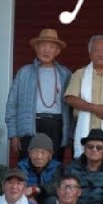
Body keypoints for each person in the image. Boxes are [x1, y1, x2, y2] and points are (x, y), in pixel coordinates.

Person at [7, 29, 72, 162]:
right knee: (27, 164)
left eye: (51, 47)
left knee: (54, 165)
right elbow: (11, 105)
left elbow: (72, 108)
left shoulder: (65, 74)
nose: (46, 50)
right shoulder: (24, 73)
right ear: (36, 48)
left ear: (57, 51)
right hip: (30, 126)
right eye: (43, 46)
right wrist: (13, 134)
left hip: (56, 126)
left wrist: (70, 134)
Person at [65, 34, 103, 163]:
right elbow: (70, 98)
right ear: (90, 53)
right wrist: (94, 108)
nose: (100, 54)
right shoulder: (79, 74)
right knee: (81, 169)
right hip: (85, 132)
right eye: (96, 50)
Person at [60, 129, 103, 204]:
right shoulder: (71, 168)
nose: (94, 150)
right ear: (84, 149)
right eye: (90, 147)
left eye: (99, 148)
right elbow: (64, 191)